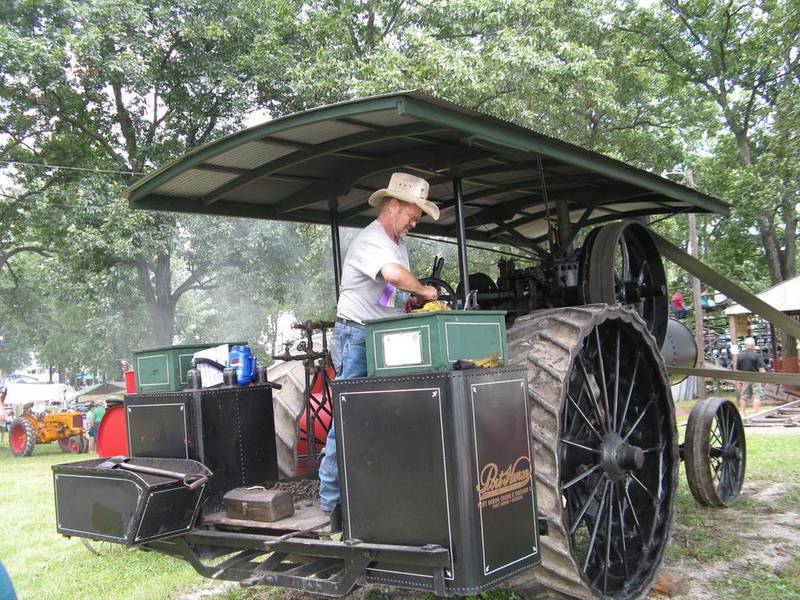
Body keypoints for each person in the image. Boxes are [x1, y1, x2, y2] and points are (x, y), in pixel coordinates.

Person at [318, 172, 440, 523]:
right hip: (356, 337)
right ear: (392, 205)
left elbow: (387, 292)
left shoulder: (396, 243)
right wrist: (424, 291)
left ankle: (378, 496)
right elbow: (394, 277)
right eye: (411, 216)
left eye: (417, 219)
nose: (413, 224)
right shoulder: (372, 241)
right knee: (348, 420)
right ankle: (330, 505)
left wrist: (405, 303)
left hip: (379, 337)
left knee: (382, 418)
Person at [735, 337, 766, 412]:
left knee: (744, 396)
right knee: (757, 396)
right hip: (755, 378)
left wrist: (738, 382)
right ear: (752, 345)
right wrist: (765, 379)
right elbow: (761, 369)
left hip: (745, 378)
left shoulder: (740, 356)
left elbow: (738, 371)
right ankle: (755, 412)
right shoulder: (756, 355)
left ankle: (742, 412)